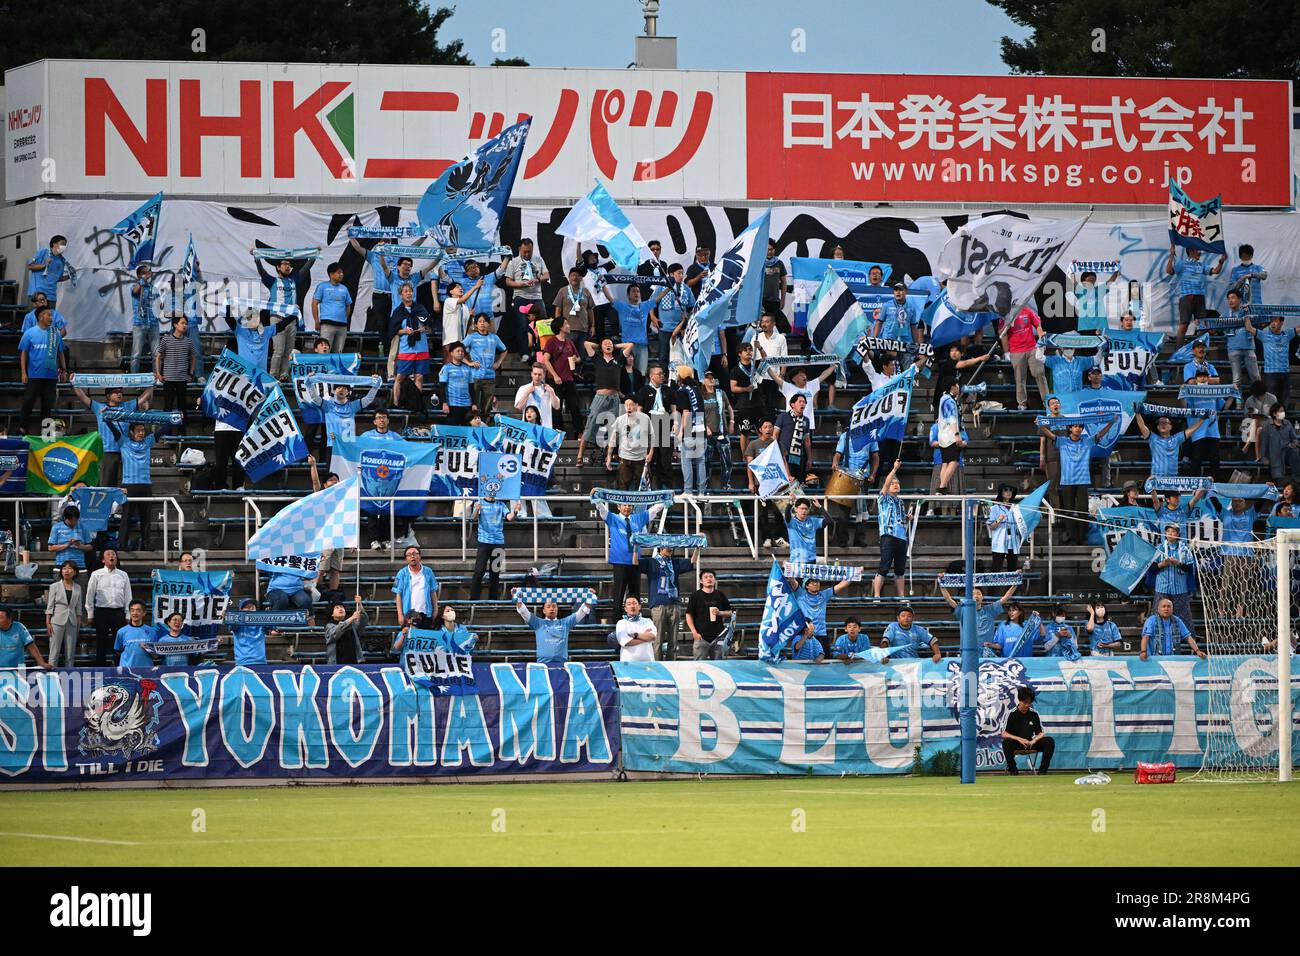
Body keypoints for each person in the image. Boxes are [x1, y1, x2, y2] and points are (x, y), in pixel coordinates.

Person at [595, 496, 668, 607]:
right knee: (618, 596)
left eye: (629, 505)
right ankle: (618, 623)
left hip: (635, 562)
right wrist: (596, 498)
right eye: (624, 505)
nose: (627, 507)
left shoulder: (638, 518)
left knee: (635, 594)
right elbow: (602, 509)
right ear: (618, 507)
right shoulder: (612, 518)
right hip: (619, 562)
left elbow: (654, 510)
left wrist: (666, 499)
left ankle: (636, 620)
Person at [253, 251, 316, 380]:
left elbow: (306, 268)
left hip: (291, 321)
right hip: (277, 319)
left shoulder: (294, 281)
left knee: (288, 351)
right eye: (284, 264)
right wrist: (257, 258)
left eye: (289, 264)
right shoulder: (272, 281)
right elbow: (262, 272)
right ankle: (273, 376)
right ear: (278, 267)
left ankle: (284, 375)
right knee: (279, 350)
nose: (287, 266)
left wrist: (314, 256)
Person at [1055, 418, 1114, 545]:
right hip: (1067, 481)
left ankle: (1082, 537)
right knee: (1068, 510)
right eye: (1075, 426)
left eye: (1080, 427)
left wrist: (1111, 423)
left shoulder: (1087, 441)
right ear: (1070, 428)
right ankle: (1072, 537)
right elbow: (1048, 434)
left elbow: (1101, 434)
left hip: (1083, 480)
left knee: (1083, 510)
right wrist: (1041, 425)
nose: (1078, 429)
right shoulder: (1063, 441)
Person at [580, 338, 635, 466]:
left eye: (609, 343)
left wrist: (614, 346)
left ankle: (608, 458)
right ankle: (580, 455)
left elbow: (630, 344)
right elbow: (586, 343)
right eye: (605, 344)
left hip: (614, 398)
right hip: (600, 397)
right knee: (591, 424)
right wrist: (600, 345)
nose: (608, 345)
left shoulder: (619, 359)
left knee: (614, 428)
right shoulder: (597, 358)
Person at [18, 306, 67, 434]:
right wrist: (23, 372)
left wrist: (64, 369)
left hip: (51, 377)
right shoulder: (29, 333)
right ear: (40, 317)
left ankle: (46, 433)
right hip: (34, 376)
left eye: (51, 315)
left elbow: (60, 352)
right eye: (48, 315)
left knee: (47, 406)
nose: (51, 318)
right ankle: (23, 429)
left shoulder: (55, 333)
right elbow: (23, 353)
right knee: (28, 403)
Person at [1166, 243, 1225, 348]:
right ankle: (1179, 351)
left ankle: (1197, 348)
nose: (1200, 252)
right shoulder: (1182, 264)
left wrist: (1221, 262)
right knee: (1184, 324)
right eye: (1198, 250)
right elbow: (1169, 271)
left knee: (1203, 325)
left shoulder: (1201, 265)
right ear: (1191, 251)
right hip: (1186, 296)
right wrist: (1171, 256)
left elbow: (1215, 271)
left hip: (1199, 296)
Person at [642, 546, 695, 657]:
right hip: (658, 605)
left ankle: (672, 666)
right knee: (657, 640)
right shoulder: (651, 562)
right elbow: (635, 563)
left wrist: (698, 547)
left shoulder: (675, 562)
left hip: (674, 604)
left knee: (674, 641)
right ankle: (657, 668)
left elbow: (692, 561)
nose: (671, 549)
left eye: (672, 547)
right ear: (660, 548)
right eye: (668, 547)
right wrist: (636, 546)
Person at [940, 581, 1018, 653]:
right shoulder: (964, 611)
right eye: (973, 594)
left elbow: (1006, 597)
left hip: (987, 652)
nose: (976, 596)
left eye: (979, 594)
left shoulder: (990, 610)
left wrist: (1015, 583)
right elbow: (948, 599)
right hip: (968, 652)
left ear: (982, 597)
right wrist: (941, 583)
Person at [503, 238, 549, 360]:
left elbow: (546, 275)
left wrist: (537, 280)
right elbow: (507, 281)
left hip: (537, 297)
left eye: (530, 251)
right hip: (520, 297)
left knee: (542, 324)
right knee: (522, 326)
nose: (527, 254)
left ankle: (542, 352)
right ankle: (525, 353)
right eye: (525, 252)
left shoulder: (538, 259)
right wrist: (521, 284)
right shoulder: (513, 262)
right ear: (519, 250)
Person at [516, 593, 594, 665]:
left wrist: (589, 596)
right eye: (548, 606)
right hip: (542, 665)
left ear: (557, 609)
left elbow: (582, 612)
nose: (551, 608)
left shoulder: (565, 623)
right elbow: (523, 611)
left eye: (554, 606)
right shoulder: (538, 623)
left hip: (562, 665)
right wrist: (518, 598)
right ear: (544, 610)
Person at [1180, 365, 1228, 479]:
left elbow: (1223, 407)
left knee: (1215, 460)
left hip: (1213, 431)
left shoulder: (1214, 392)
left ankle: (1216, 486)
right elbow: (1185, 407)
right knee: (1196, 459)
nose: (1202, 379)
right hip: (1197, 432)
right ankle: (1193, 487)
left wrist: (1232, 394)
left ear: (1208, 378)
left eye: (1205, 376)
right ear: (1196, 379)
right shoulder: (1191, 392)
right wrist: (1182, 394)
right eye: (1200, 376)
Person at [389, 281, 433, 407]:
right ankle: (395, 404)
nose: (409, 293)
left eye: (410, 291)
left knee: (419, 377)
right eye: (406, 291)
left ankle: (417, 404)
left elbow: (430, 327)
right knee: (399, 378)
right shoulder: (398, 312)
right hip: (406, 349)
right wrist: (404, 331)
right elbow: (393, 330)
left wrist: (426, 329)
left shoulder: (421, 308)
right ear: (401, 295)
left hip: (422, 348)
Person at [85, 548, 131, 665]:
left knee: (119, 641)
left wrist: (128, 614)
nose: (112, 556)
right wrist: (90, 613)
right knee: (101, 641)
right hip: (102, 612)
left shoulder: (123, 575)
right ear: (103, 560)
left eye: (114, 554)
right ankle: (100, 666)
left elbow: (128, 595)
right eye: (108, 554)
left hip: (118, 612)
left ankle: (119, 666)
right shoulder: (96, 574)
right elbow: (90, 594)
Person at [469, 494, 519, 600]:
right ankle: (473, 600)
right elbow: (473, 518)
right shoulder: (479, 502)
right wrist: (476, 510)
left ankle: (493, 600)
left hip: (498, 543)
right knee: (479, 572)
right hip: (484, 542)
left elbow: (509, 517)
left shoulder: (501, 504)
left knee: (495, 573)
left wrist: (515, 511)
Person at [635, 365, 677, 490]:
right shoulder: (643, 391)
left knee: (665, 458)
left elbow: (674, 409)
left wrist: (675, 423)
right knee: (650, 456)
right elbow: (639, 411)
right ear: (651, 375)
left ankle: (666, 488)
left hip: (664, 423)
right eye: (659, 374)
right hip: (649, 423)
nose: (662, 376)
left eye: (663, 374)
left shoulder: (668, 391)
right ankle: (650, 487)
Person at [154, 315, 197, 435]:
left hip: (182, 379)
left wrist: (191, 372)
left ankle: (182, 433)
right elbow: (158, 356)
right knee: (167, 406)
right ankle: (167, 433)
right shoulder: (166, 339)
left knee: (182, 407)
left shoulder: (188, 341)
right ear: (175, 325)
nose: (185, 325)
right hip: (168, 379)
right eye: (182, 323)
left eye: (186, 323)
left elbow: (194, 357)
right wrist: (158, 373)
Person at [119, 422, 159, 551]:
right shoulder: (123, 441)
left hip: (146, 484)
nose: (141, 433)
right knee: (126, 516)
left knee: (146, 517)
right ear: (131, 432)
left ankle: (146, 544)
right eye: (138, 430)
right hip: (129, 485)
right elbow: (112, 428)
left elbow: (163, 430)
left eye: (143, 430)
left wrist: (174, 418)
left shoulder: (148, 441)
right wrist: (107, 418)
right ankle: (122, 544)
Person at [1134, 411, 1210, 478]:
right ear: (1157, 427)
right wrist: (1137, 413)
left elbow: (1192, 429)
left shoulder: (1176, 438)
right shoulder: (1153, 438)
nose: (1162, 425)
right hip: (1156, 477)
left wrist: (1202, 419)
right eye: (1160, 423)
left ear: (1171, 426)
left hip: (1172, 479)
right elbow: (1141, 425)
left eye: (1165, 423)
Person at [541, 317, 581, 438]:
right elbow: (546, 360)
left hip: (568, 379)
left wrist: (575, 359)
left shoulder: (569, 342)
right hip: (555, 380)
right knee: (556, 408)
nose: (569, 326)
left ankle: (579, 432)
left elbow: (578, 358)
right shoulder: (551, 341)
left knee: (575, 405)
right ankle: (559, 432)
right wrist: (555, 375)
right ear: (560, 327)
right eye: (566, 324)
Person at [1152, 524, 1196, 635]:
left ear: (1178, 534)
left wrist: (1178, 563)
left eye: (1173, 532)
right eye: (1168, 531)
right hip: (1162, 588)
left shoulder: (1184, 549)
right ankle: (1157, 636)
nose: (1170, 534)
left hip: (1180, 588)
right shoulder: (1159, 548)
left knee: (1183, 616)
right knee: (1158, 615)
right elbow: (1151, 568)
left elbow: (1190, 567)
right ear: (1165, 534)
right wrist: (1163, 564)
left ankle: (1187, 640)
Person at [874, 459, 909, 598]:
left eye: (897, 483)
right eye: (893, 483)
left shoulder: (900, 501)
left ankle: (901, 596)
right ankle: (876, 595)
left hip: (901, 537)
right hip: (888, 535)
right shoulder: (883, 498)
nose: (895, 485)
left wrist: (908, 518)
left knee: (900, 569)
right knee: (884, 567)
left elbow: (900, 518)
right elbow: (887, 483)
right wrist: (894, 469)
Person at [1245, 313, 1295, 408]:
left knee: (1284, 403)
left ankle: (1282, 421)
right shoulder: (1264, 335)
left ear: (1281, 322)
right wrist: (1246, 315)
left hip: (1285, 374)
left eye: (1275, 320)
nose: (1273, 323)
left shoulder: (1287, 334)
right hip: (1270, 374)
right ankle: (1270, 422)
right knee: (1271, 403)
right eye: (1271, 320)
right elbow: (1249, 328)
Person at [1001, 686, 1054, 775]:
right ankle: (1013, 770)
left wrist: (1034, 741)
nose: (1027, 705)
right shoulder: (1011, 714)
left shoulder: (1034, 714)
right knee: (1006, 742)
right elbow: (1004, 733)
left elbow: (1041, 733)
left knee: (1049, 741)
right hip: (1016, 743)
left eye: (1029, 703)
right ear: (1019, 700)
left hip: (1030, 743)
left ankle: (1042, 771)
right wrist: (1019, 739)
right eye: (1025, 702)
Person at [464, 313, 508, 418]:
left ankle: (485, 428)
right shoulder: (471, 337)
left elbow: (504, 350)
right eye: (480, 321)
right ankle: (473, 427)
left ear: (488, 324)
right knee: (474, 406)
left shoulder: (494, 338)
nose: (482, 323)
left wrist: (498, 362)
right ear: (476, 325)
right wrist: (469, 363)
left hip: (490, 376)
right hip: (475, 377)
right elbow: (457, 350)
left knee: (487, 408)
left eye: (484, 321)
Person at [674, 366, 709, 496]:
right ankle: (701, 492)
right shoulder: (697, 389)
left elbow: (686, 412)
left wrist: (682, 431)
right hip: (701, 427)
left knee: (687, 461)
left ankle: (688, 491)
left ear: (681, 376)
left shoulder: (681, 391)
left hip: (690, 428)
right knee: (700, 461)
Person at [685, 570, 734, 660]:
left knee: (719, 665)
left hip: (718, 637)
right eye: (706, 577)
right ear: (701, 581)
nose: (709, 579)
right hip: (701, 637)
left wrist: (720, 613)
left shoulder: (720, 595)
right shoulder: (695, 596)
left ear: (715, 580)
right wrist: (694, 633)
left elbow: (730, 612)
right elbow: (688, 615)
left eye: (711, 577)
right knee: (699, 666)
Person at [44, 560, 84, 668]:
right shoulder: (54, 586)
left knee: (70, 654)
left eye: (70, 569)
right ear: (61, 571)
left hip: (72, 622)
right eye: (64, 568)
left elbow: (79, 609)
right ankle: (51, 677)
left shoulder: (78, 587)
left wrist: (78, 625)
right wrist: (48, 622)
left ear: (75, 572)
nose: (67, 571)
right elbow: (50, 607)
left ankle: (69, 677)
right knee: (54, 652)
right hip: (56, 621)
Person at [606, 396, 652, 489]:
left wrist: (650, 453)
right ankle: (623, 504)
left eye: (631, 404)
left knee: (642, 486)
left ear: (636, 405)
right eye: (626, 405)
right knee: (622, 485)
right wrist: (609, 457)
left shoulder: (645, 418)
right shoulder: (620, 420)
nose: (628, 407)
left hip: (641, 457)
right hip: (625, 456)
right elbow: (612, 440)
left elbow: (652, 437)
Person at [700, 370, 735, 491]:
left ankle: (726, 485)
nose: (711, 380)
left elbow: (729, 408)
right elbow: (698, 413)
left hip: (722, 431)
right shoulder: (700, 394)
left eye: (712, 377)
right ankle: (706, 488)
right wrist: (705, 426)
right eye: (708, 378)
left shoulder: (720, 393)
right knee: (706, 462)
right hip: (707, 433)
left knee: (727, 461)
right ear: (703, 380)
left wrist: (731, 422)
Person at [794, 576, 853, 644]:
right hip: (805, 634)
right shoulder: (800, 594)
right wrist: (787, 568)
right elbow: (793, 582)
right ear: (806, 585)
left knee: (824, 654)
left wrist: (855, 573)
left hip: (822, 634)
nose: (815, 584)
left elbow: (841, 585)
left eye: (817, 581)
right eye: (812, 582)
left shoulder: (824, 594)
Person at [729, 341, 763, 456]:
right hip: (744, 406)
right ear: (739, 353)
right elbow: (733, 388)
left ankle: (762, 455)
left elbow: (766, 359)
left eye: (750, 350)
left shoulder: (755, 365)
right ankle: (745, 457)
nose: (749, 352)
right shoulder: (735, 370)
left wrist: (760, 347)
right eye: (746, 350)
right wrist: (745, 389)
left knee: (762, 432)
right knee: (745, 432)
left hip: (758, 403)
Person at [393, 546, 440, 629]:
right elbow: (398, 595)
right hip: (409, 614)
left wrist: (435, 610)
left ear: (420, 556)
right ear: (406, 558)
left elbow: (433, 592)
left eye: (415, 554)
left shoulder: (428, 571)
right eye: (409, 555)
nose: (412, 556)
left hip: (426, 613)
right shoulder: (402, 573)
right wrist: (400, 614)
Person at [311, 262, 353, 354]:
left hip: (342, 326)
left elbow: (348, 305)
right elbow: (314, 303)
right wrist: (316, 320)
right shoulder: (322, 286)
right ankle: (325, 369)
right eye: (338, 272)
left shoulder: (344, 288)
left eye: (342, 272)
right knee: (325, 351)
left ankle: (336, 369)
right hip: (327, 324)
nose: (341, 274)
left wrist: (344, 318)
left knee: (339, 352)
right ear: (331, 274)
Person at [552, 267, 595, 355]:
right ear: (569, 277)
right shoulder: (563, 291)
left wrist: (593, 326)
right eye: (573, 275)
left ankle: (579, 369)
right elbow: (558, 309)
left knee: (580, 355)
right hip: (567, 329)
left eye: (577, 276)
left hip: (583, 329)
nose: (575, 277)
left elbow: (590, 310)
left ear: (581, 278)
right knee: (567, 354)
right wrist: (558, 325)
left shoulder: (586, 291)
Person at [774, 394, 815, 485]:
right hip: (785, 456)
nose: (802, 404)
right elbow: (775, 435)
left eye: (804, 402)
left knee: (798, 483)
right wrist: (776, 453)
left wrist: (809, 458)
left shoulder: (806, 420)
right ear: (792, 404)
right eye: (800, 401)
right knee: (785, 484)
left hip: (799, 457)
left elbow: (807, 440)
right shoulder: (783, 416)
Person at [129, 264, 162, 374]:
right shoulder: (135, 286)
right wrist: (143, 280)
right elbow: (135, 292)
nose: (149, 274)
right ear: (139, 275)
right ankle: (134, 380)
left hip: (153, 323)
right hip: (140, 323)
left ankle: (157, 378)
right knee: (136, 354)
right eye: (145, 272)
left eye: (149, 272)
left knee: (156, 353)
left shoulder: (154, 288)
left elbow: (159, 304)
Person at [986, 485, 1026, 571]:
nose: (1008, 492)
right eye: (1006, 490)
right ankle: (994, 584)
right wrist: (998, 520)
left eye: (1010, 490)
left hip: (1013, 543)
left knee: (1013, 568)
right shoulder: (995, 508)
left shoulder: (1016, 508)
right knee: (996, 568)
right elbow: (991, 527)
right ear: (1001, 492)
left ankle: (1011, 585)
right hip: (1000, 543)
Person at [25, 234, 71, 307]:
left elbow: (57, 278)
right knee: (36, 317)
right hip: (38, 294)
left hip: (51, 296)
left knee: (49, 317)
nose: (64, 247)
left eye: (65, 245)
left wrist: (70, 276)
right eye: (62, 244)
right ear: (54, 244)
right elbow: (30, 266)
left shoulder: (62, 261)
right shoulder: (43, 252)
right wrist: (44, 265)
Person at [1259, 404, 1300, 483]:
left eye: (1283, 411)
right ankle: (1278, 481)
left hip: (1287, 451)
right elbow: (1264, 442)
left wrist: (1293, 445)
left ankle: (1297, 480)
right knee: (1276, 471)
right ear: (1274, 414)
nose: (1283, 413)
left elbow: (1294, 438)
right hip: (1274, 452)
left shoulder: (1287, 423)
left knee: (1294, 452)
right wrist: (1264, 457)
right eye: (1280, 411)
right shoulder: (1267, 425)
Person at [1071, 266, 1120, 332]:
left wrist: (1116, 268)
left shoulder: (1099, 290)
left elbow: (1111, 280)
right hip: (1085, 327)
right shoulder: (1080, 290)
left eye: (1093, 281)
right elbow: (1073, 279)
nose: (1092, 283)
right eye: (1090, 281)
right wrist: (1072, 266)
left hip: (1100, 328)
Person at [439, 341, 477, 425]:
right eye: (458, 351)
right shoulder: (446, 368)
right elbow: (442, 387)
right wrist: (444, 403)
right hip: (453, 405)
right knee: (454, 431)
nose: (460, 353)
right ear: (452, 353)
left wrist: (474, 403)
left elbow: (471, 387)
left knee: (466, 431)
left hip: (467, 405)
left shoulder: (467, 369)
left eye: (462, 351)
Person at [513, 363, 560, 430]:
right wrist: (527, 392)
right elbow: (518, 407)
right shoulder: (523, 388)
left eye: (539, 374)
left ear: (543, 375)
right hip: (529, 427)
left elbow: (557, 406)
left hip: (545, 427)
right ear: (531, 374)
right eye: (535, 374)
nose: (537, 377)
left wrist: (551, 392)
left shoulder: (548, 389)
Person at [443, 278, 484, 352]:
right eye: (457, 287)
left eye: (461, 287)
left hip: (463, 342)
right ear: (451, 291)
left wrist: (471, 316)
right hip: (451, 341)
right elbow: (463, 299)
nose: (460, 288)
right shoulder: (448, 301)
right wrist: (475, 287)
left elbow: (469, 325)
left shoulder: (464, 306)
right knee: (450, 363)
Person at [324, 596, 368, 665]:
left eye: (342, 607)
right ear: (332, 614)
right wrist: (352, 618)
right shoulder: (329, 625)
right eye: (337, 608)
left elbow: (364, 620)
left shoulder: (352, 623)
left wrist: (359, 604)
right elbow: (335, 633)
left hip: (354, 662)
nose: (340, 609)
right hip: (337, 664)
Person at [784, 495, 828, 564]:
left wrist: (820, 507)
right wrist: (790, 503)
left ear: (808, 510)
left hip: (811, 558)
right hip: (797, 559)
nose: (803, 511)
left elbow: (829, 521)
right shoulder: (792, 522)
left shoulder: (813, 521)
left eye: (806, 509)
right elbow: (787, 515)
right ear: (796, 509)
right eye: (801, 508)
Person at [113, 600, 156, 669]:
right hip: (127, 671)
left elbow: (155, 655)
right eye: (132, 610)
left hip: (147, 671)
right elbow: (118, 652)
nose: (135, 613)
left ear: (144, 613)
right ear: (129, 612)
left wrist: (148, 648)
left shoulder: (152, 631)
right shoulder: (121, 631)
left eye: (138, 610)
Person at [48, 505, 93, 571]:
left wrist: (79, 545)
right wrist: (67, 545)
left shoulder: (83, 527)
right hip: (61, 566)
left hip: (80, 567)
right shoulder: (56, 527)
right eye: (71, 520)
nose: (73, 522)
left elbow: (90, 547)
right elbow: (51, 548)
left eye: (75, 520)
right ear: (65, 518)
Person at [616, 595, 658, 662]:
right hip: (628, 663)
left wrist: (636, 635)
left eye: (634, 603)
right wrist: (645, 638)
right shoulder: (621, 623)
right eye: (629, 604)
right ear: (625, 608)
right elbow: (626, 642)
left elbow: (652, 637)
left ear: (639, 607)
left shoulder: (648, 621)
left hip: (648, 663)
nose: (632, 606)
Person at [229, 597, 268, 666]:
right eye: (247, 607)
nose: (250, 609)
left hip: (260, 662)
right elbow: (232, 625)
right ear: (241, 610)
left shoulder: (262, 622)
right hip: (242, 662)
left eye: (252, 607)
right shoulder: (237, 623)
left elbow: (272, 627)